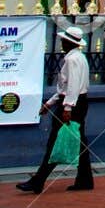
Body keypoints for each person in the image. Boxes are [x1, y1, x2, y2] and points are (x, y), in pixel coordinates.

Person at [17, 24, 93, 194]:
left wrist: (67, 107)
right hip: (79, 102)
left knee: (55, 141)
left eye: (64, 40)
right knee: (80, 143)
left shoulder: (71, 60)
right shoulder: (80, 58)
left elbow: (71, 86)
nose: (62, 43)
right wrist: (50, 103)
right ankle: (85, 179)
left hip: (72, 104)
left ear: (69, 42)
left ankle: (38, 180)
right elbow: (67, 88)